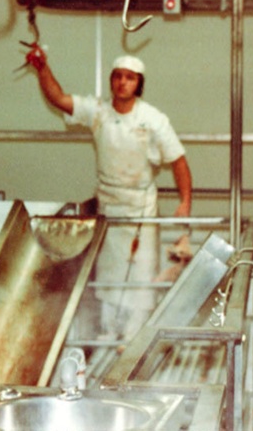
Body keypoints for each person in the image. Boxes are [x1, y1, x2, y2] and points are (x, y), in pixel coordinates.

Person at [27, 48, 192, 341]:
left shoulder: (153, 119)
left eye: (129, 78)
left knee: (141, 279)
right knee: (109, 279)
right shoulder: (98, 111)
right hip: (108, 208)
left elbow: (178, 160)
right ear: (111, 81)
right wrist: (42, 67)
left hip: (141, 209)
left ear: (138, 84)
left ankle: (133, 340)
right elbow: (59, 98)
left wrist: (185, 201)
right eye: (117, 76)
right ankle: (108, 336)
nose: (122, 82)